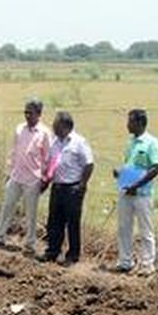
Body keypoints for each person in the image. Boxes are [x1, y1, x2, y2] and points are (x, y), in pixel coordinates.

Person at [0, 98, 51, 255]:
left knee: (31, 214)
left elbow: (48, 158)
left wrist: (45, 179)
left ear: (39, 114)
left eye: (30, 113)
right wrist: (9, 173)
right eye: (26, 112)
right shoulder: (19, 129)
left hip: (33, 179)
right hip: (16, 175)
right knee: (7, 206)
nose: (27, 115)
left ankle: (30, 245)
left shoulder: (44, 133)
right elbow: (14, 152)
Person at [40, 111, 94, 265]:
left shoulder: (79, 142)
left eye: (55, 125)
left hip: (72, 188)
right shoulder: (55, 142)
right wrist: (46, 181)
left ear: (65, 126)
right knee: (54, 222)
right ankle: (52, 251)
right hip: (57, 187)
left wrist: (82, 185)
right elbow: (51, 164)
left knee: (72, 223)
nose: (53, 128)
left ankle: (72, 256)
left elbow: (89, 164)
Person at [113, 109, 158, 275]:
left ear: (140, 123)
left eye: (130, 121)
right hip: (126, 191)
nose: (127, 125)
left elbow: (156, 168)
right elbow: (131, 165)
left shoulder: (151, 142)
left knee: (145, 230)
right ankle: (125, 261)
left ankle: (147, 264)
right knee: (124, 227)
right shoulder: (130, 142)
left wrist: (137, 185)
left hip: (142, 194)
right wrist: (120, 173)